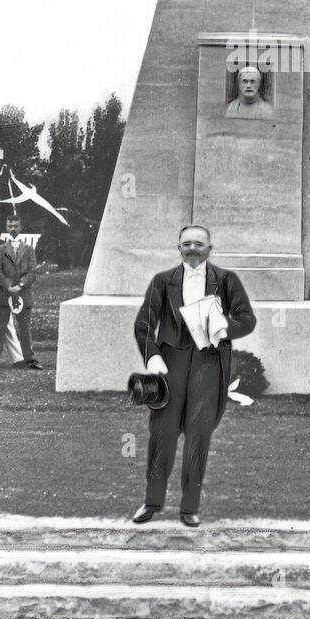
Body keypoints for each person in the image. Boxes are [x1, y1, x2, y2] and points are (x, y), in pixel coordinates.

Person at [131, 224, 256, 527]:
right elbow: (143, 324)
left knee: (198, 437)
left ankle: (189, 507)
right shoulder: (162, 281)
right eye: (186, 243)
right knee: (162, 435)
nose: (192, 249)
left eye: (199, 244)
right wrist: (154, 356)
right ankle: (152, 501)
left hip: (208, 366)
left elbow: (246, 319)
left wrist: (223, 327)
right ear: (179, 248)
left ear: (210, 249)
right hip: (170, 365)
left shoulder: (226, 280)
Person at [0, 213, 42, 370]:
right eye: (10, 226)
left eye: (15, 226)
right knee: (0, 327)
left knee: (25, 328)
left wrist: (19, 286)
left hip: (23, 293)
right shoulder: (0, 249)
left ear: (20, 227)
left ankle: (30, 359)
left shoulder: (29, 249)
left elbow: (32, 272)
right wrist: (8, 286)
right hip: (5, 294)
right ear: (6, 227)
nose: (13, 229)